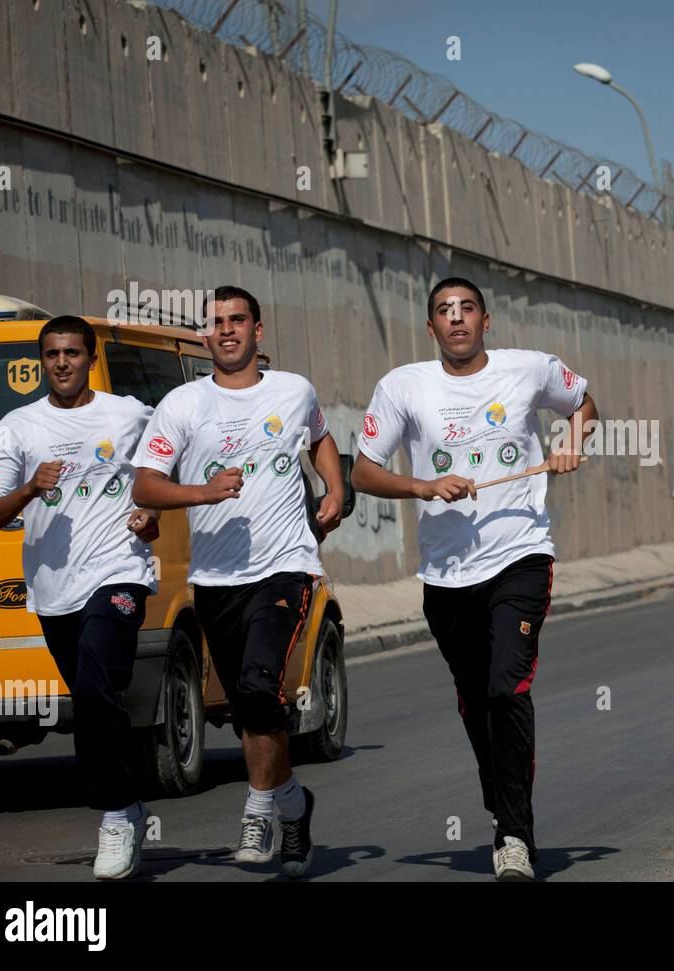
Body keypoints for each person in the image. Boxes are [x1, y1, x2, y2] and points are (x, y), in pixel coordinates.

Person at [350, 277, 597, 882]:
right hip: (446, 573)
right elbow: (362, 472)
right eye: (443, 312)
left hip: (520, 556)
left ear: (487, 320)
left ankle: (514, 833)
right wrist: (423, 486)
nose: (456, 319)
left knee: (506, 687)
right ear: (430, 327)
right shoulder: (403, 386)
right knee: (473, 698)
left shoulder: (530, 369)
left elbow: (586, 407)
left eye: (467, 310)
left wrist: (571, 437)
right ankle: (501, 801)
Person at [133, 286, 343, 878]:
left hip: (284, 566)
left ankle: (257, 808)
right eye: (216, 323)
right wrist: (203, 491)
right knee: (251, 706)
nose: (226, 330)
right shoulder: (181, 404)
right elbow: (146, 485)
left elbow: (322, 439)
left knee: (256, 684)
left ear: (258, 330)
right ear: (206, 336)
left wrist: (335, 488)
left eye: (237, 320)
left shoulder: (293, 391)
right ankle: (293, 804)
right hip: (215, 579)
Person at [0, 316, 160, 880]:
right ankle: (128, 802)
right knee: (90, 696)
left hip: (118, 571)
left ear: (91, 357)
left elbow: (166, 461)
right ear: (42, 361)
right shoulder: (17, 426)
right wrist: (31, 487)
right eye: (53, 354)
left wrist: (152, 509)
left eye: (73, 354)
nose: (62, 363)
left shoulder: (127, 413)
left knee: (95, 681)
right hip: (54, 592)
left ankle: (112, 817)